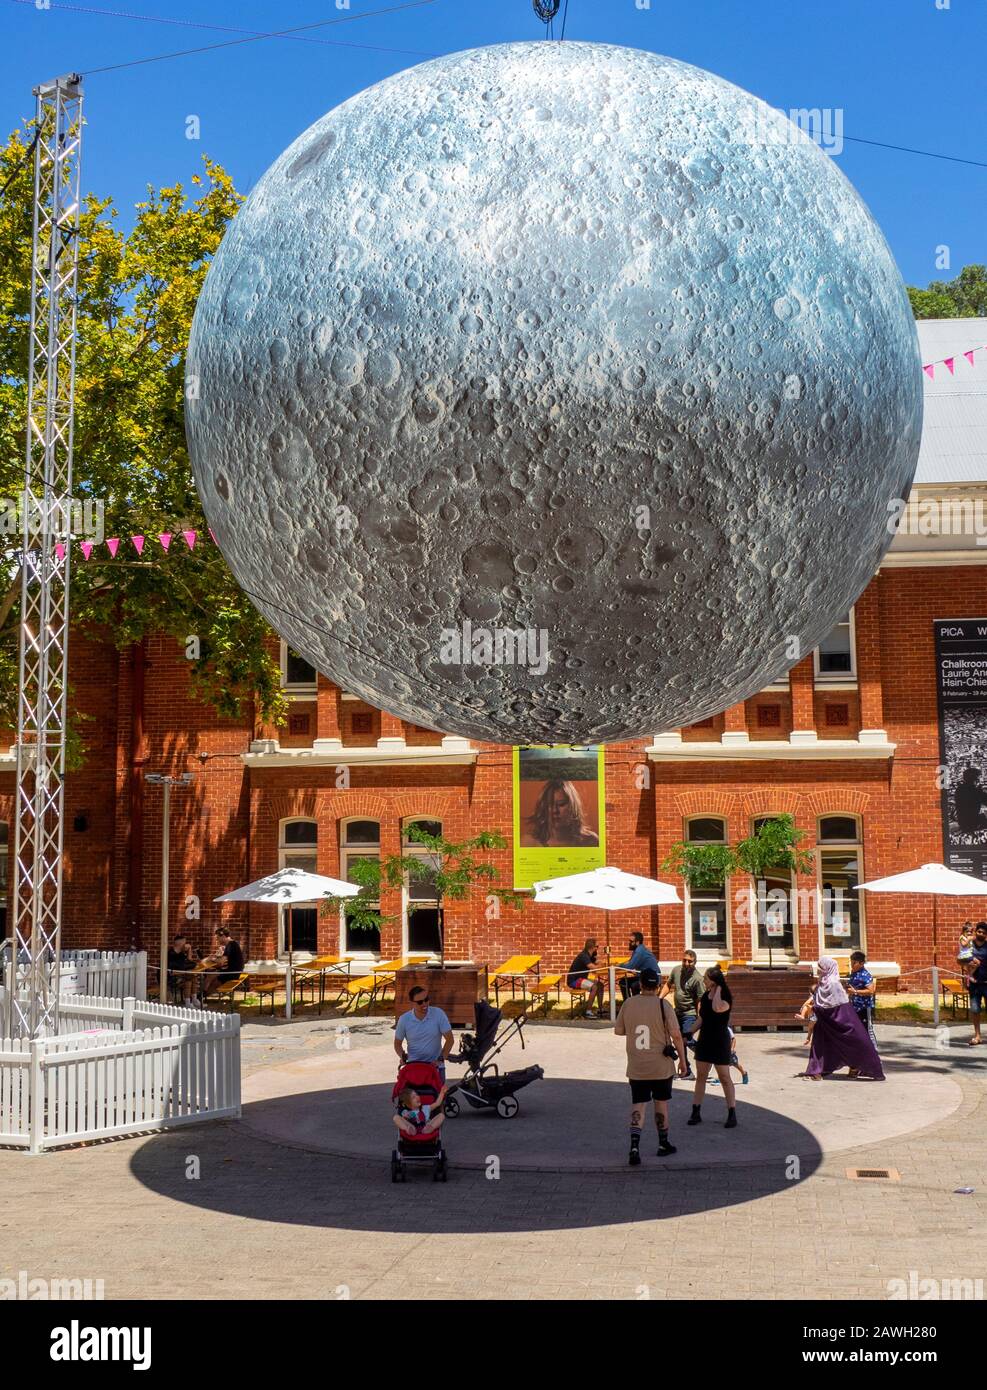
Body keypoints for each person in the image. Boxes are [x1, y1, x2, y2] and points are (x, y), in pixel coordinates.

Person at [614, 967, 687, 1166]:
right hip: (661, 1066)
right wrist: (682, 1060)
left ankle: (634, 1147)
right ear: (656, 985)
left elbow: (619, 1031)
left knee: (638, 1105)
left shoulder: (629, 1004)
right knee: (661, 1103)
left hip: (637, 1065)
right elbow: (676, 1035)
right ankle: (663, 1144)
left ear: (640, 984)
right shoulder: (664, 1006)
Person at [800, 956, 884, 1080]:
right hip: (825, 1022)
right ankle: (817, 1071)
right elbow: (820, 1002)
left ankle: (865, 1068)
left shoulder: (833, 984)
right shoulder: (823, 983)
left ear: (828, 969)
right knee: (821, 1044)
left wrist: (816, 1009)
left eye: (821, 968)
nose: (818, 970)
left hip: (842, 1021)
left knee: (856, 1043)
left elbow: (835, 1007)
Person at [687, 967, 738, 1128]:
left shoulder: (725, 996)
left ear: (714, 981)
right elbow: (702, 1018)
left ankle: (731, 1113)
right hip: (705, 1040)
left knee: (724, 1077)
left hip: (720, 1041)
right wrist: (689, 1032)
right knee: (701, 1075)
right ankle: (696, 1111)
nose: (703, 980)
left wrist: (718, 989)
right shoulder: (704, 996)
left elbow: (717, 1008)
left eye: (706, 979)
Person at [660, 948, 705, 1077]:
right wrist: (659, 999)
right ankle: (687, 1071)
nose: (686, 963)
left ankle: (706, 1054)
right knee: (678, 1040)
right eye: (684, 960)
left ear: (695, 962)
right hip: (677, 1012)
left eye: (689, 961)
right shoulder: (676, 970)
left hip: (689, 1014)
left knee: (686, 1040)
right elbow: (668, 985)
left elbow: (700, 1000)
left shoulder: (698, 979)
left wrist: (700, 1018)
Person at [394, 986, 455, 1079]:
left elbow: (450, 1040)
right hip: (413, 1067)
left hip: (436, 1068)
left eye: (426, 999)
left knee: (438, 1094)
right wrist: (402, 1056)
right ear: (411, 1003)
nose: (424, 1004)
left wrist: (440, 1059)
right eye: (419, 1002)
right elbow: (397, 1043)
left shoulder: (438, 1014)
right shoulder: (404, 1019)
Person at [527, 778, 600, 847]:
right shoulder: (529, 843)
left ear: (573, 806)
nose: (554, 811)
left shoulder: (590, 841)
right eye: (550, 805)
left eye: (561, 804)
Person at [198, 927, 244, 1000]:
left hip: (233, 973)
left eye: (218, 938)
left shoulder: (230, 945)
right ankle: (201, 997)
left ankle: (199, 997)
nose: (217, 940)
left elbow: (221, 962)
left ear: (223, 936)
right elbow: (222, 963)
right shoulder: (232, 944)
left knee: (210, 976)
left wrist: (211, 959)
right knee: (214, 981)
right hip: (234, 972)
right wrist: (216, 959)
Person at [847, 949, 878, 1047]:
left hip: (865, 1007)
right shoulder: (854, 974)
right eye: (851, 962)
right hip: (855, 1006)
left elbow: (871, 991)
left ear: (861, 963)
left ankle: (874, 1051)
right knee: (855, 1028)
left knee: (868, 1029)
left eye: (854, 963)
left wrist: (855, 992)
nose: (852, 965)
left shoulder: (865, 975)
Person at [616, 930, 660, 1001]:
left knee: (632, 985)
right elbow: (630, 963)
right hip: (645, 976)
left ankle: (631, 1004)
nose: (629, 943)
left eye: (631, 941)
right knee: (624, 982)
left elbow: (629, 966)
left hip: (653, 978)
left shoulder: (639, 951)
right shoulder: (639, 949)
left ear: (637, 942)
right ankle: (632, 1003)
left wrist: (617, 966)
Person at [567, 937, 605, 1017]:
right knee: (594, 987)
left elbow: (598, 963)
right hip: (574, 980)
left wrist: (599, 963)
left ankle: (600, 1009)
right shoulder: (584, 956)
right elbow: (593, 967)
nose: (597, 949)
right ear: (592, 947)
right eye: (597, 947)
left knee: (600, 985)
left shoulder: (589, 955)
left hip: (582, 979)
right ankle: (588, 1011)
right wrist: (599, 965)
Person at [963, 921, 987, 1045]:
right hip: (974, 983)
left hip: (986, 983)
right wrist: (968, 965)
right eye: (979, 931)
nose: (981, 934)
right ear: (976, 931)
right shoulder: (969, 945)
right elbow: (960, 959)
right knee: (975, 1009)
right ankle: (977, 1036)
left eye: (984, 932)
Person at [955, 767, 987, 836]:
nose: (979, 780)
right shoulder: (974, 790)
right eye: (978, 778)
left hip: (962, 822)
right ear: (975, 779)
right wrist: (980, 790)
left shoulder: (959, 789)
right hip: (973, 823)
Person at [167, 933, 198, 1004]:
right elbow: (172, 971)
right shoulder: (171, 954)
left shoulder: (181, 953)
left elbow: (189, 961)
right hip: (170, 978)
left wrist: (189, 949)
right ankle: (188, 1002)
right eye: (185, 942)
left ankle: (194, 999)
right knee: (189, 977)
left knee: (194, 976)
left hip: (179, 975)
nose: (186, 944)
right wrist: (185, 972)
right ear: (180, 943)